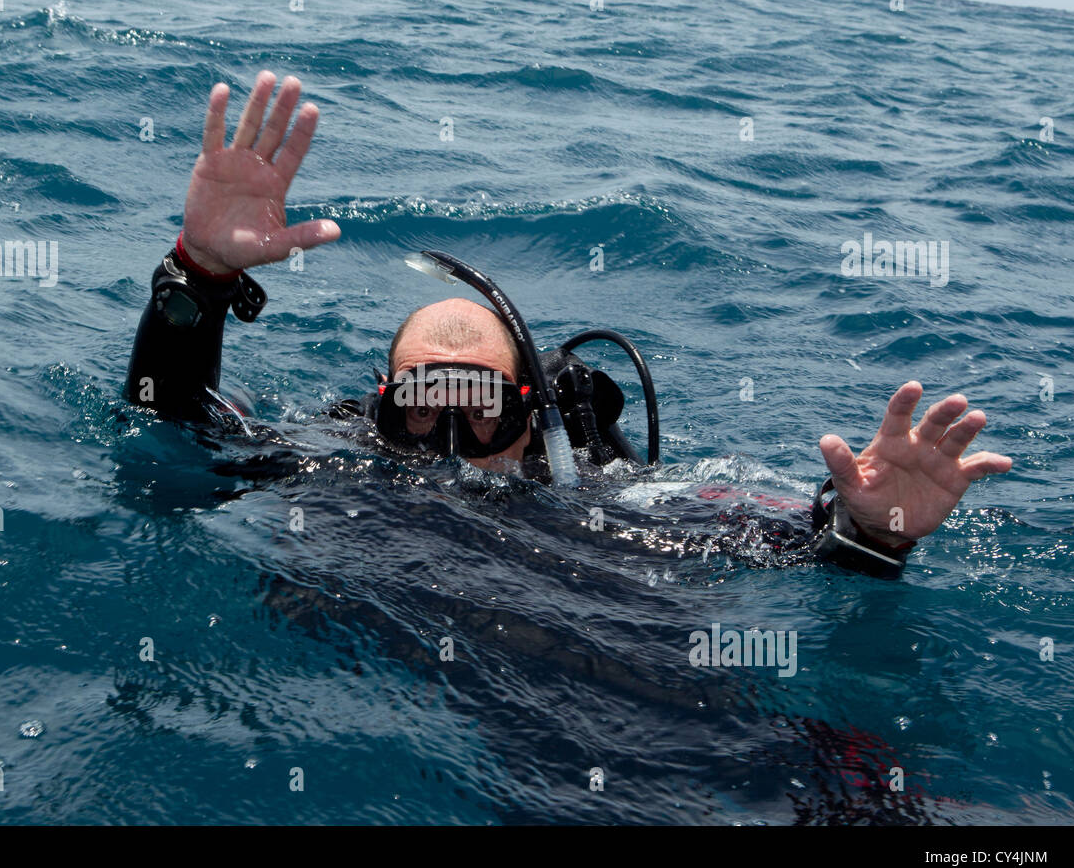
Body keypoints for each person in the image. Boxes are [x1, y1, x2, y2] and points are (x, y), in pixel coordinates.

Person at [125, 72, 1013, 579]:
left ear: (533, 412)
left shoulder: (604, 500)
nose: (451, 441)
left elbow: (766, 536)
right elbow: (170, 433)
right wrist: (198, 274)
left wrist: (873, 531)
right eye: (423, 405)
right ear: (381, 407)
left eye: (483, 410)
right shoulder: (334, 465)